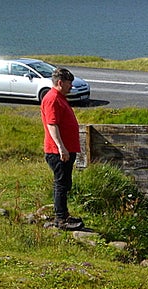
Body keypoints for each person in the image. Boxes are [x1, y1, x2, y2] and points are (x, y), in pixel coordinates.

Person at [41, 67, 83, 230]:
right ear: (60, 82)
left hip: (64, 149)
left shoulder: (59, 98)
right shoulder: (52, 99)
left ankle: (64, 214)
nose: (71, 86)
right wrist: (61, 147)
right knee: (61, 184)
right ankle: (61, 219)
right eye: (69, 83)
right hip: (57, 151)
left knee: (64, 183)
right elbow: (52, 124)